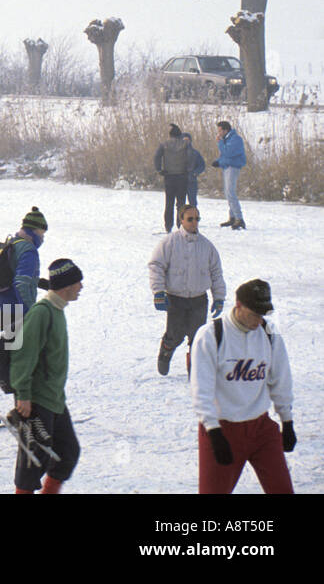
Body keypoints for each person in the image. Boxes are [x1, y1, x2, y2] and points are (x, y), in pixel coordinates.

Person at [191, 278, 294, 494]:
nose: (259, 319)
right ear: (238, 305)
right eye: (255, 312)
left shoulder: (269, 334)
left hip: (260, 428)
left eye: (263, 313)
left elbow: (280, 379)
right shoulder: (211, 336)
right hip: (221, 429)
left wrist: (287, 420)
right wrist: (213, 431)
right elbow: (202, 389)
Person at [9, 258, 84, 494]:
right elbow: (24, 355)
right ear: (66, 285)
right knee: (33, 461)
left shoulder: (57, 311)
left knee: (67, 452)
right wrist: (23, 395)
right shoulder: (42, 313)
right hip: (36, 399)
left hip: (54, 399)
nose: (81, 287)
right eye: (77, 282)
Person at [0, 206, 47, 427]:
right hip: (17, 310)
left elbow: (21, 276)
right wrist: (30, 311)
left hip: (2, 305)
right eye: (42, 233)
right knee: (19, 361)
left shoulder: (13, 243)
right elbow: (22, 282)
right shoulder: (28, 250)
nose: (43, 238)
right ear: (35, 230)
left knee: (0, 359)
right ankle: (21, 414)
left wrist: (44, 284)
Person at [149, 204, 225, 377]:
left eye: (197, 219)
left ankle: (195, 368)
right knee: (175, 334)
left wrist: (219, 297)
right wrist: (158, 292)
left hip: (198, 300)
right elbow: (156, 265)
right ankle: (166, 351)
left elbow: (216, 273)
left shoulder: (207, 246)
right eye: (189, 219)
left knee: (197, 337)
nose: (194, 223)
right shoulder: (169, 242)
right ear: (181, 220)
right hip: (176, 299)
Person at [154, 123, 191, 233]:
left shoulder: (164, 144)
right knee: (181, 203)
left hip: (169, 176)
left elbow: (156, 156)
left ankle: (168, 226)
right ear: (180, 135)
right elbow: (191, 156)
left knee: (169, 203)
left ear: (170, 135)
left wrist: (159, 169)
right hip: (182, 176)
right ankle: (180, 225)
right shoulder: (185, 144)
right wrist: (189, 169)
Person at [212, 120, 246, 230]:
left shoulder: (235, 139)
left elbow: (228, 153)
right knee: (227, 193)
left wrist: (220, 142)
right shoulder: (228, 139)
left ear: (226, 130)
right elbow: (225, 155)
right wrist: (219, 162)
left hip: (233, 167)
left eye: (220, 130)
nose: (219, 133)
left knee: (231, 192)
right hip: (227, 166)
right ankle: (232, 217)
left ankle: (239, 219)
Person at [182, 131, 204, 207]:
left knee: (193, 202)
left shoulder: (195, 153)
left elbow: (202, 165)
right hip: (179, 181)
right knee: (180, 203)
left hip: (191, 181)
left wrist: (195, 173)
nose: (186, 142)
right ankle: (180, 218)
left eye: (187, 140)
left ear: (190, 141)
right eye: (184, 140)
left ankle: (193, 217)